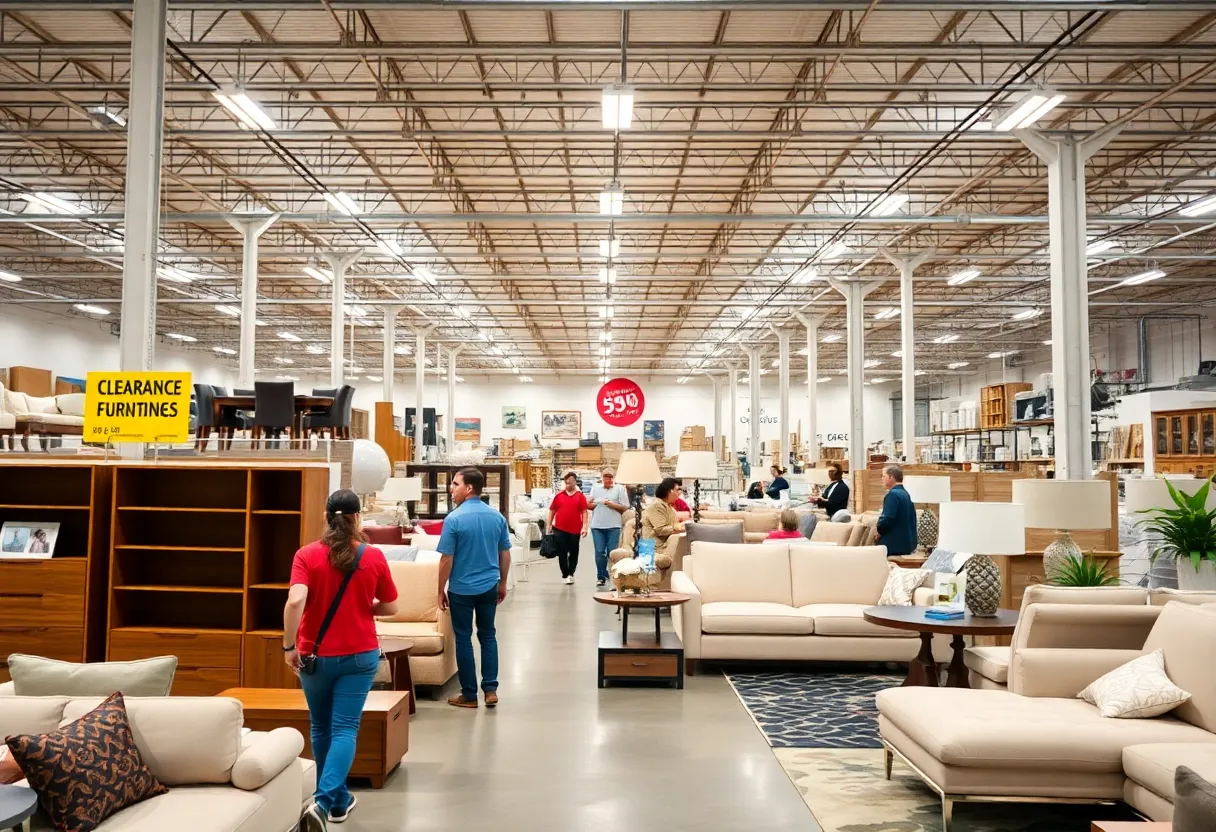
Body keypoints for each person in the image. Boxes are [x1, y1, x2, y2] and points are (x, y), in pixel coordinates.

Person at [284, 489, 399, 830]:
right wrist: (366, 607)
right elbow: (392, 606)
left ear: (326, 515)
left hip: (314, 655)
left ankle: (331, 798)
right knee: (345, 728)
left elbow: (295, 602)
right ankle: (330, 801)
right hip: (359, 654)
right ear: (357, 517)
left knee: (320, 726)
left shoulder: (306, 555)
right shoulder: (373, 555)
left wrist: (289, 646)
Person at [438, 467, 512, 709]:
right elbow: (505, 553)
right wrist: (502, 582)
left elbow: (446, 559)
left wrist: (440, 589)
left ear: (469, 488)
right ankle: (490, 690)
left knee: (463, 638)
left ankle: (469, 695)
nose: (451, 488)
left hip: (461, 589)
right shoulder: (497, 517)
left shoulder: (454, 519)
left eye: (455, 484)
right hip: (489, 586)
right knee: (488, 635)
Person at [587, 468, 629, 588]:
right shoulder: (596, 489)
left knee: (612, 552)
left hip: (613, 526)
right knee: (599, 552)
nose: (608, 479)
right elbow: (589, 505)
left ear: (613, 478)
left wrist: (610, 504)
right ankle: (601, 576)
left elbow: (625, 507)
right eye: (606, 476)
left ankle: (614, 577)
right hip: (597, 526)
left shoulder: (619, 489)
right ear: (602, 477)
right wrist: (593, 503)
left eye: (610, 477)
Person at [548, 472, 589, 585]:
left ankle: (571, 573)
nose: (568, 482)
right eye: (566, 480)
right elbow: (552, 510)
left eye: (571, 480)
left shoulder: (580, 496)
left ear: (575, 481)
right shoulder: (559, 496)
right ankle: (565, 573)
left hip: (575, 529)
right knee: (562, 552)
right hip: (559, 529)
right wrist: (549, 524)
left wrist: (585, 527)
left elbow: (584, 512)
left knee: (574, 552)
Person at [876, 464, 917, 557]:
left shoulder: (893, 495)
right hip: (906, 543)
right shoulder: (905, 493)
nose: (882, 479)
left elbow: (887, 518)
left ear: (891, 477)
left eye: (884, 476)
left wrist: (879, 531)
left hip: (893, 544)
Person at [642, 478, 686, 557]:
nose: (679, 493)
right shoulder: (656, 507)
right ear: (670, 491)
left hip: (667, 545)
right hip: (656, 548)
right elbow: (660, 530)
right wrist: (680, 528)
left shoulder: (670, 508)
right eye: (677, 490)